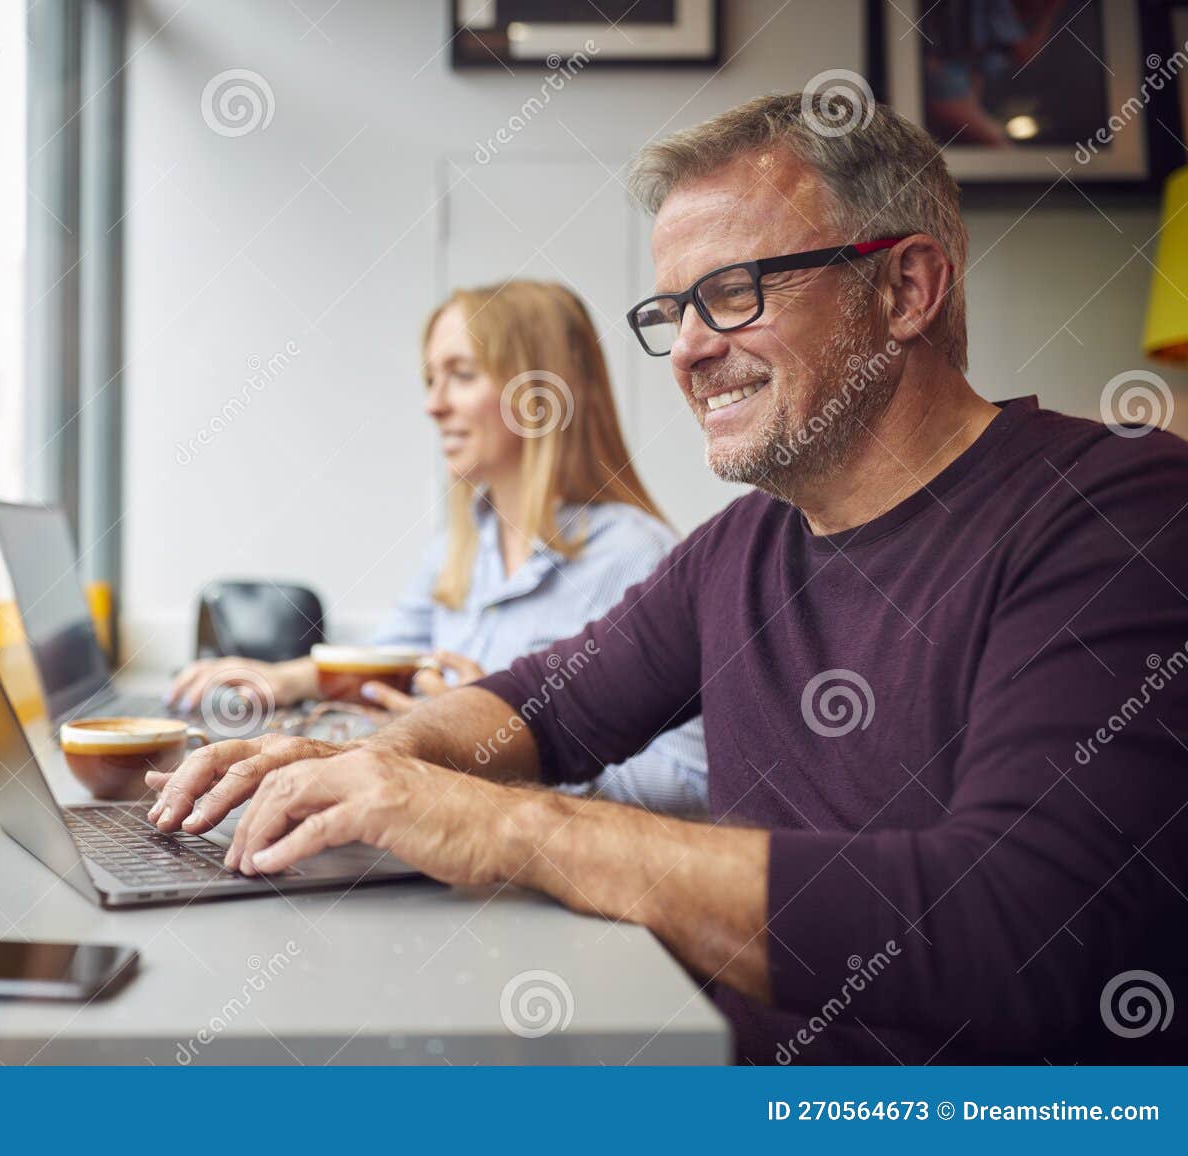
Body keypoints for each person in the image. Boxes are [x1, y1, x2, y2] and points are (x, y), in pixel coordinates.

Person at [149, 93, 1188, 1065]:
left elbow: (1007, 925)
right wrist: (367, 765)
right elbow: (538, 710)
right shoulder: (742, 549)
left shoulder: (1120, 512)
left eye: (731, 294)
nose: (687, 348)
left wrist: (507, 824)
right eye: (670, 310)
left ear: (905, 287)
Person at [166, 280, 707, 814]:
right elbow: (384, 665)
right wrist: (283, 677)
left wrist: (504, 735)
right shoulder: (464, 543)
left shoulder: (638, 558)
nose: (433, 405)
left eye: (461, 376)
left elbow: (689, 785)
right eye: (430, 379)